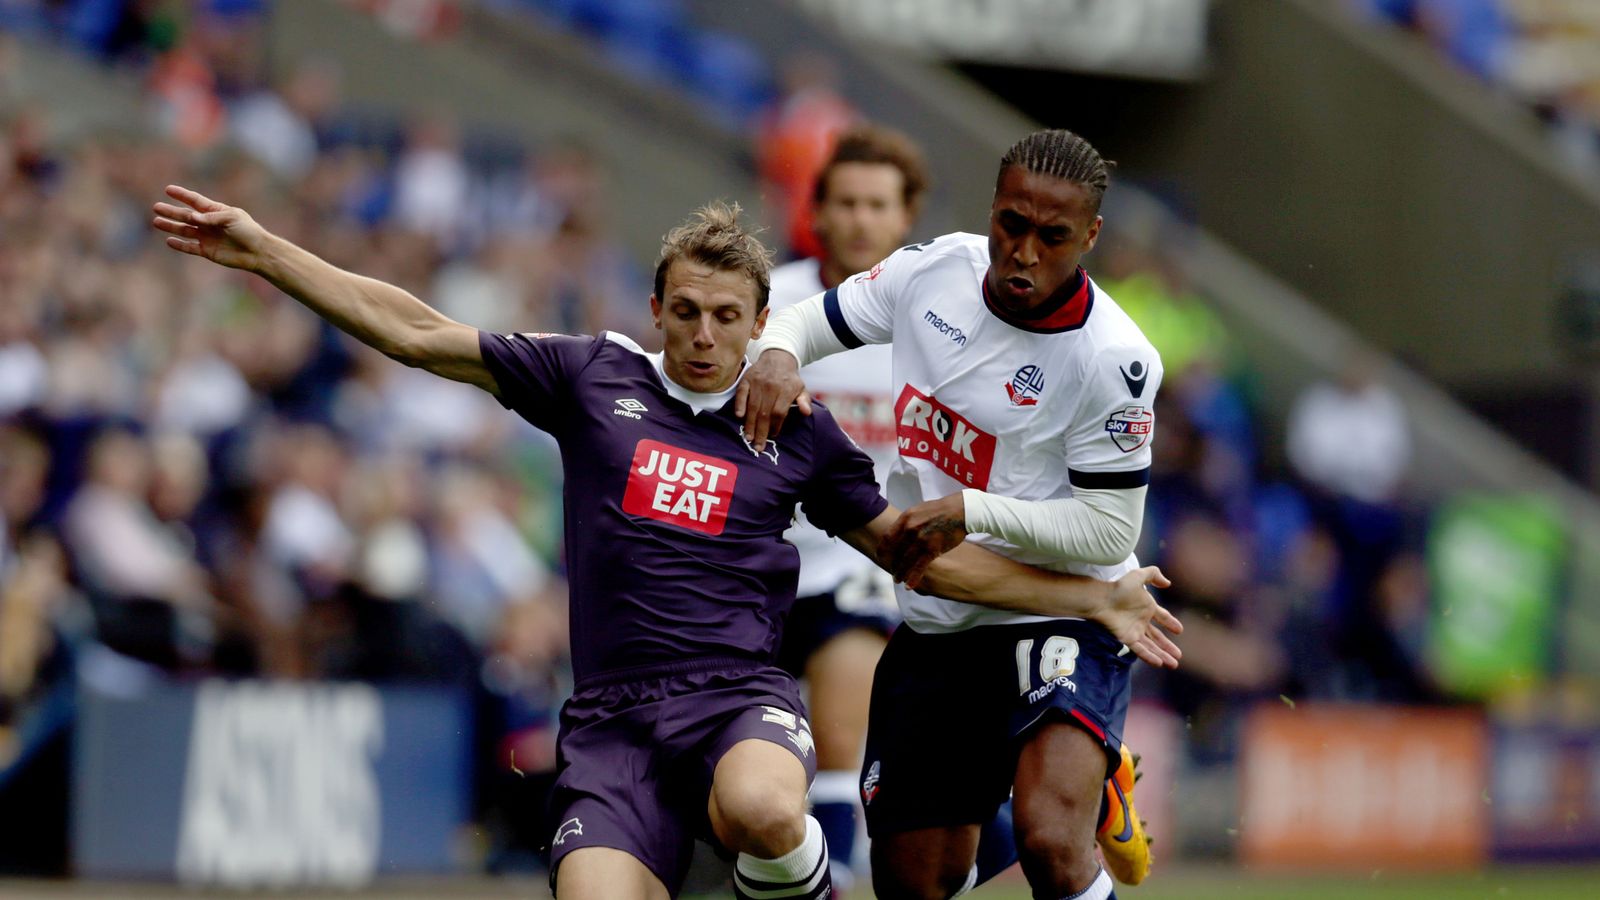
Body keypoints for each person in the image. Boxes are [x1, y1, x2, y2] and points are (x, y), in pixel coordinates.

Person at [151, 186, 1182, 900]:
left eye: (725, 315)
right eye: (683, 310)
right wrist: (260, 252)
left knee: (774, 812)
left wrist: (1090, 596)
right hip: (609, 725)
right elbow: (415, 332)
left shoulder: (799, 429)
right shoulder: (590, 378)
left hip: (739, 701)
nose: (701, 332)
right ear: (654, 308)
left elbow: (920, 558)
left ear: (758, 322)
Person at [738, 128, 1164, 899]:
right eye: (1012, 224)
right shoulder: (931, 272)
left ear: (1090, 237)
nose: (1025, 251)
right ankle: (1099, 782)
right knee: (914, 881)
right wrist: (777, 354)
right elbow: (805, 320)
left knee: (1048, 837)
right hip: (941, 607)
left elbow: (1110, 529)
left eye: (1053, 236)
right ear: (992, 210)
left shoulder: (1112, 358)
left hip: (1066, 607)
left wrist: (972, 509)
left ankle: (1083, 783)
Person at [767, 124, 928, 893]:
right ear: (818, 212)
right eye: (847, 202)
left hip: (856, 567)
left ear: (906, 219)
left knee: (840, 743)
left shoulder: (936, 331)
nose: (862, 219)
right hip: (754, 562)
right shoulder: (772, 305)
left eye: (878, 204)